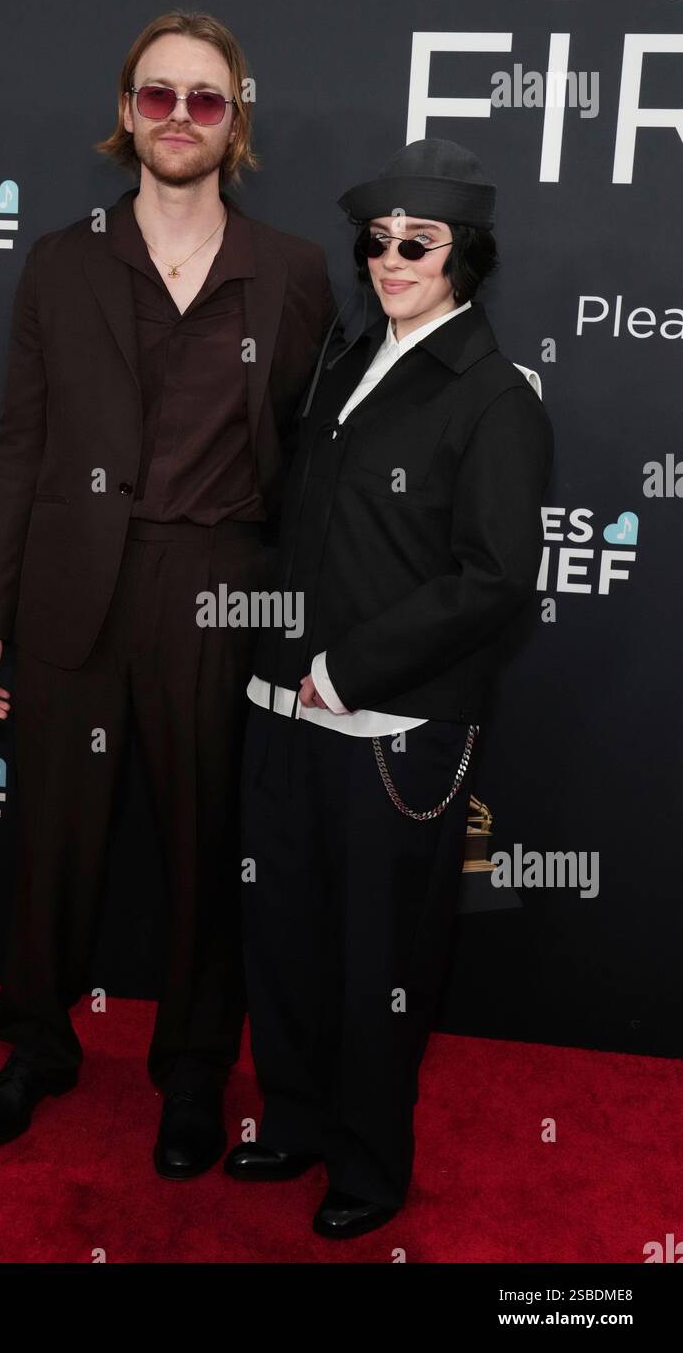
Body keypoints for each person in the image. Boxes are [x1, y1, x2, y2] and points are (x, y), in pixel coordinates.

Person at [0, 10, 336, 1179]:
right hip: (74, 592)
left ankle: (189, 1076)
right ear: (127, 113)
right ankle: (35, 1049)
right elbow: (20, 445)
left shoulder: (295, 273)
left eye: (205, 100)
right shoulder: (63, 259)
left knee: (205, 851)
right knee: (55, 847)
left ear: (234, 123)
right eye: (158, 95)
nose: (180, 117)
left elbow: (309, 462)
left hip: (217, 593)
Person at [224, 138, 554, 1237]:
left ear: (468, 256)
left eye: (420, 241)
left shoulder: (494, 395)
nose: (392, 256)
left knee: (380, 962)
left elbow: (497, 576)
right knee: (281, 936)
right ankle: (295, 1118)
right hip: (282, 709)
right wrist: (278, 665)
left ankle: (366, 1162)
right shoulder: (343, 356)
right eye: (377, 238)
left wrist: (343, 670)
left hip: (388, 731)